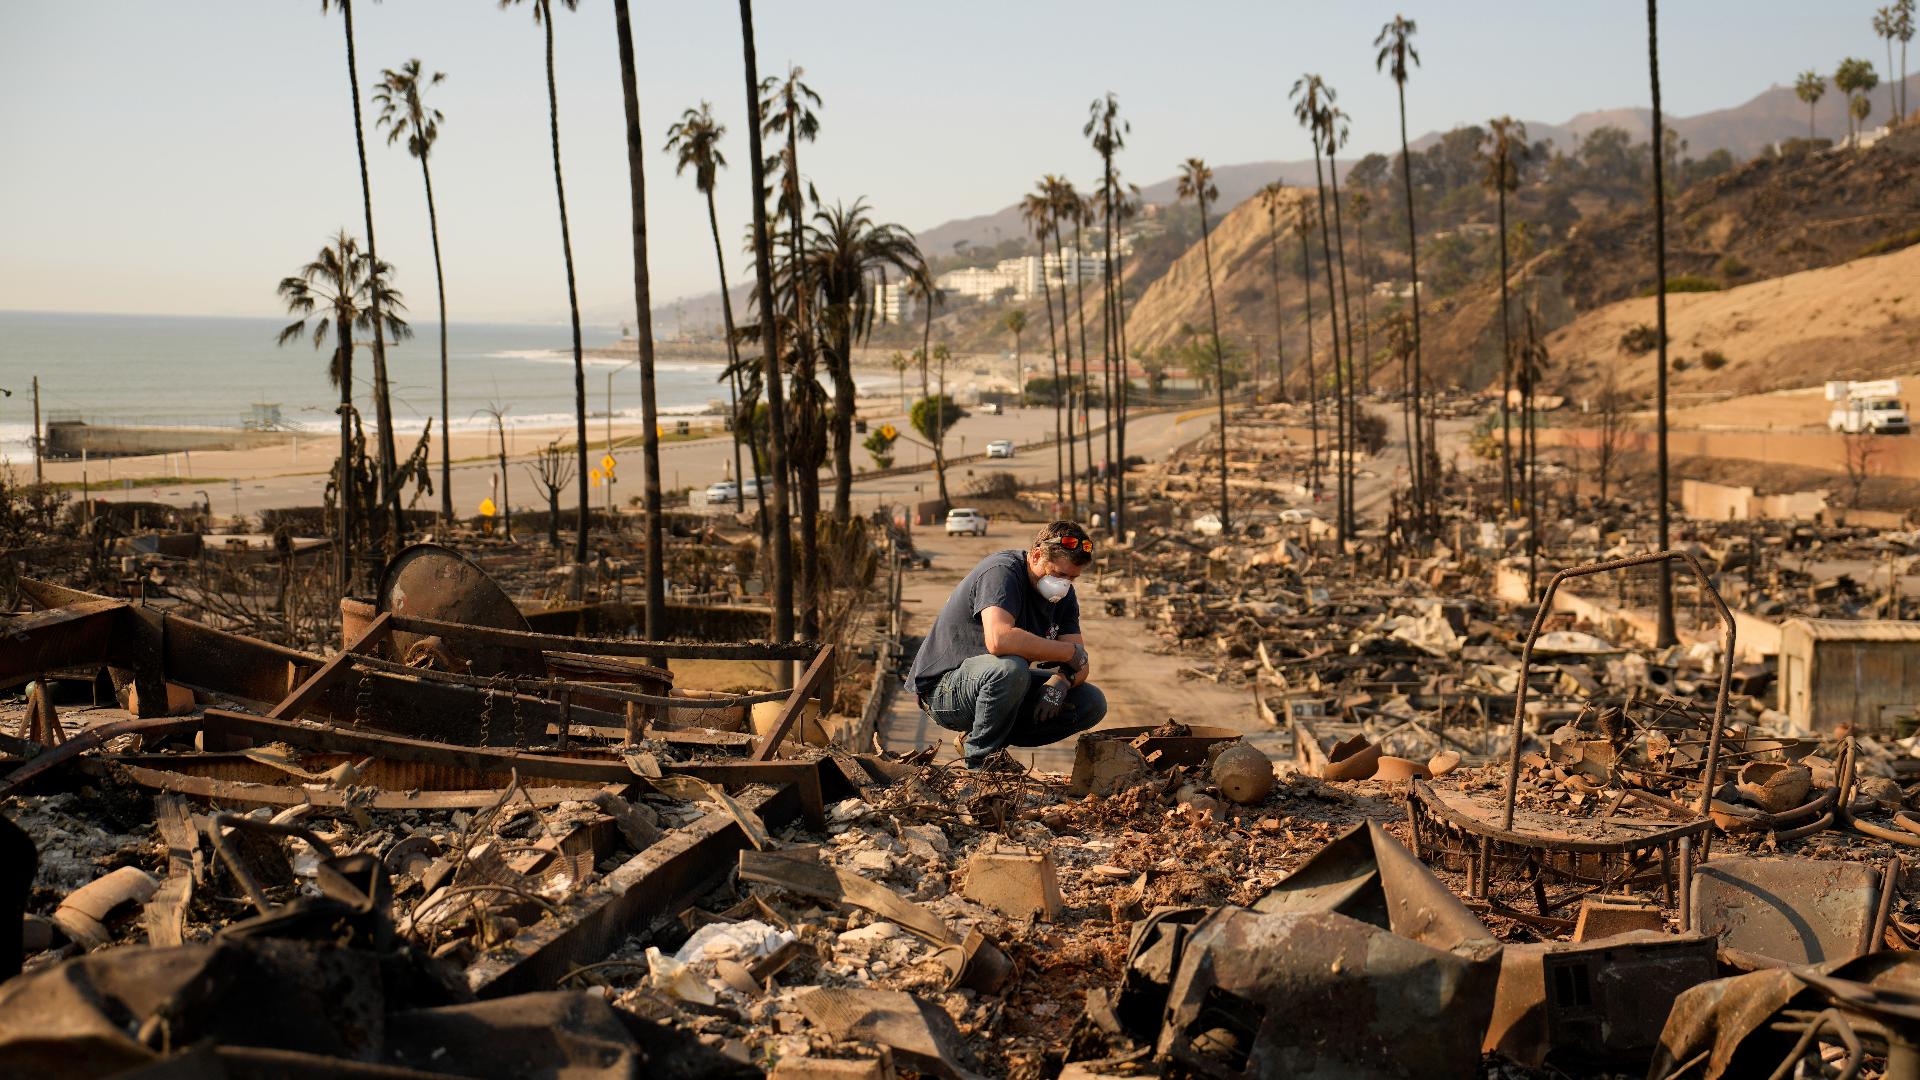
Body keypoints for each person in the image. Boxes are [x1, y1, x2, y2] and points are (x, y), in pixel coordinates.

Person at [906, 520, 1107, 769]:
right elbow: (999, 640)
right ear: (1035, 556)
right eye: (1059, 574)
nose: (1064, 583)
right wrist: (1067, 653)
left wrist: (1062, 682)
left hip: (997, 686)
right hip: (944, 690)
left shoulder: (1064, 597)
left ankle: (980, 740)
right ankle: (980, 762)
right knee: (1011, 668)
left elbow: (1080, 662)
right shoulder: (1002, 571)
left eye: (1072, 578)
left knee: (1091, 701)